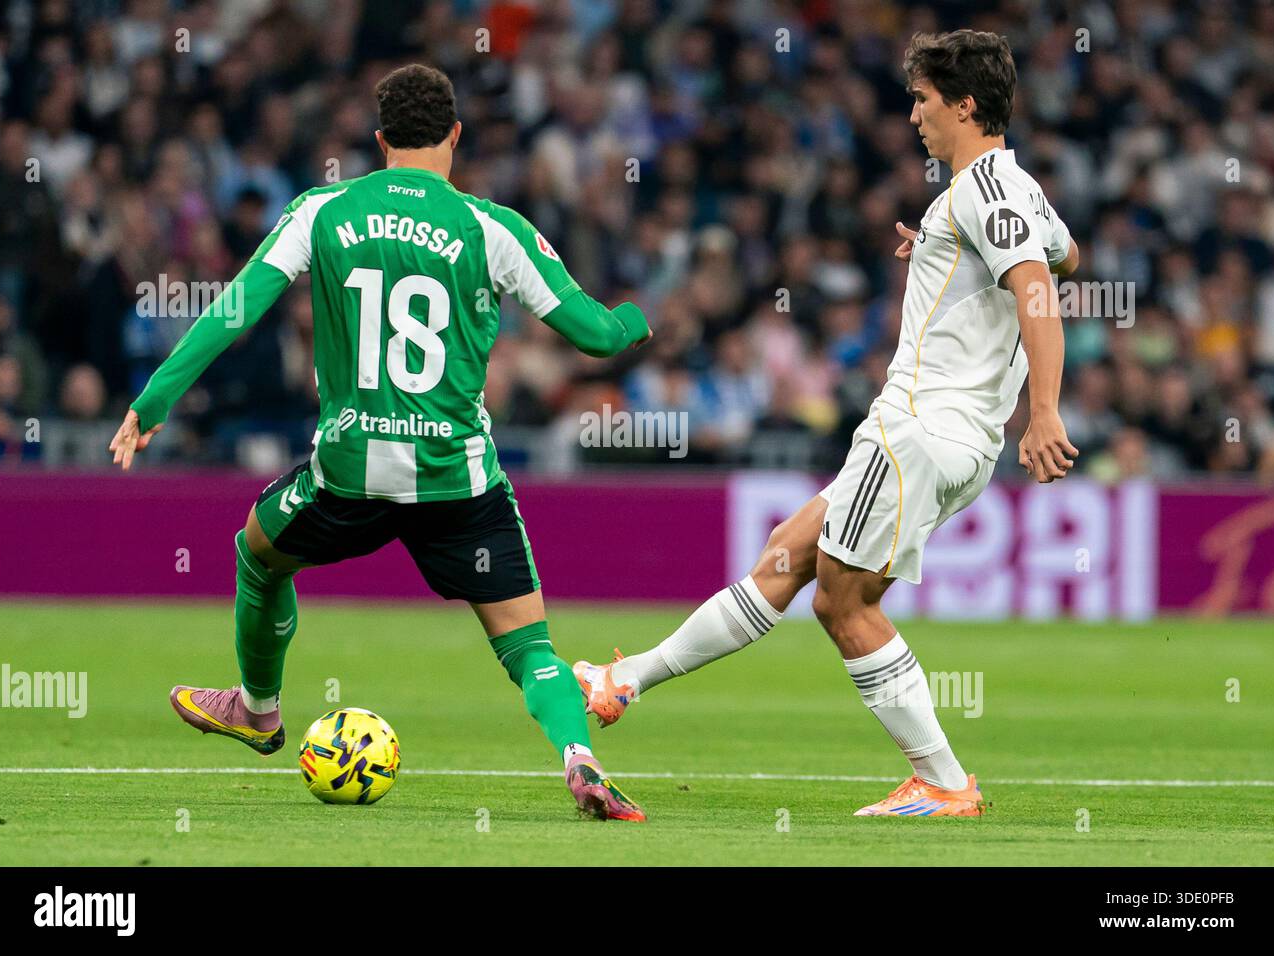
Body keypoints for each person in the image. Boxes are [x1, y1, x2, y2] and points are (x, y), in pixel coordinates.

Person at [109, 64, 651, 822]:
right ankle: (579, 755)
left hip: (349, 478)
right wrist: (636, 318)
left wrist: (155, 398)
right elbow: (594, 335)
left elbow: (235, 309)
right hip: (460, 486)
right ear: (456, 135)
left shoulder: (322, 211)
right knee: (530, 648)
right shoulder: (493, 228)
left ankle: (258, 709)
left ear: (379, 139)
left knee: (258, 554)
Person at [575, 30, 1080, 818]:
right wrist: (957, 257)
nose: (913, 114)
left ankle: (945, 783)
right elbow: (1064, 261)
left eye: (922, 99)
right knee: (788, 553)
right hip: (953, 442)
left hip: (914, 428)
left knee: (841, 606)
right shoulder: (1019, 192)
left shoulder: (985, 191)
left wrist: (1044, 410)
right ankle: (622, 682)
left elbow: (1038, 293)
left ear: (965, 105)